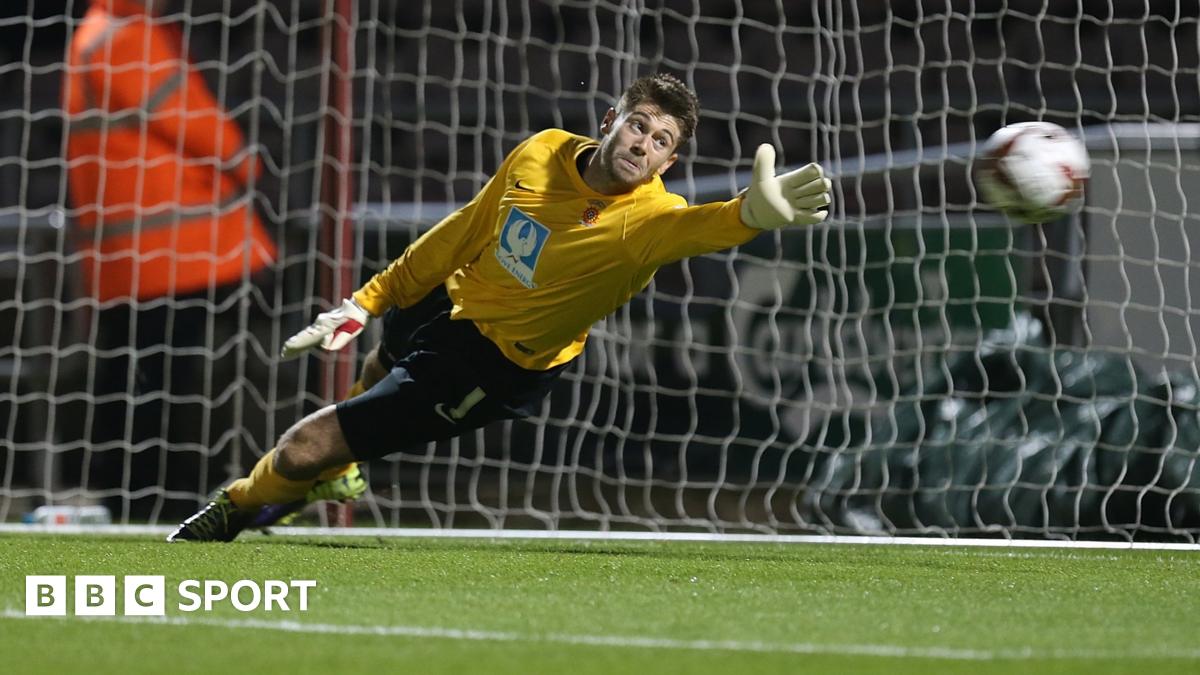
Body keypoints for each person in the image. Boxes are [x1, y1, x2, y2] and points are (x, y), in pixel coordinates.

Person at [167, 72, 832, 541]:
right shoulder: (541, 150)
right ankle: (337, 472)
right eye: (638, 125)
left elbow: (710, 224)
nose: (642, 144)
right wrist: (369, 297)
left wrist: (752, 214)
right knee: (374, 367)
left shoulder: (651, 221)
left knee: (308, 441)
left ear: (669, 162)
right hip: (451, 300)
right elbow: (466, 228)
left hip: (495, 363)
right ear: (610, 121)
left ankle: (234, 509)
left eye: (661, 142)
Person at [64, 0, 358, 519]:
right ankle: (168, 498)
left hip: (136, 251)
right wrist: (246, 161)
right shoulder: (126, 36)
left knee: (139, 375)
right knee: (174, 380)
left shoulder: (99, 33)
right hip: (179, 250)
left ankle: (136, 497)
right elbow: (188, 117)